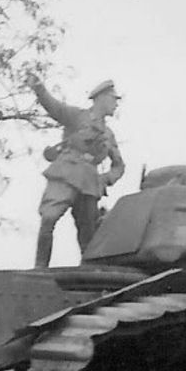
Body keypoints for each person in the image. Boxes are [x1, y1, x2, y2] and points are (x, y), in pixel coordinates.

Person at [27, 76, 126, 268]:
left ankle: (87, 272)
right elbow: (54, 107)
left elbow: (119, 166)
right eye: (113, 99)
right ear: (101, 98)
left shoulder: (108, 134)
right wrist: (39, 88)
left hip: (89, 183)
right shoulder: (77, 117)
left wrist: (105, 179)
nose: (116, 104)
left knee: (88, 235)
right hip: (66, 173)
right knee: (49, 218)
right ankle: (40, 266)